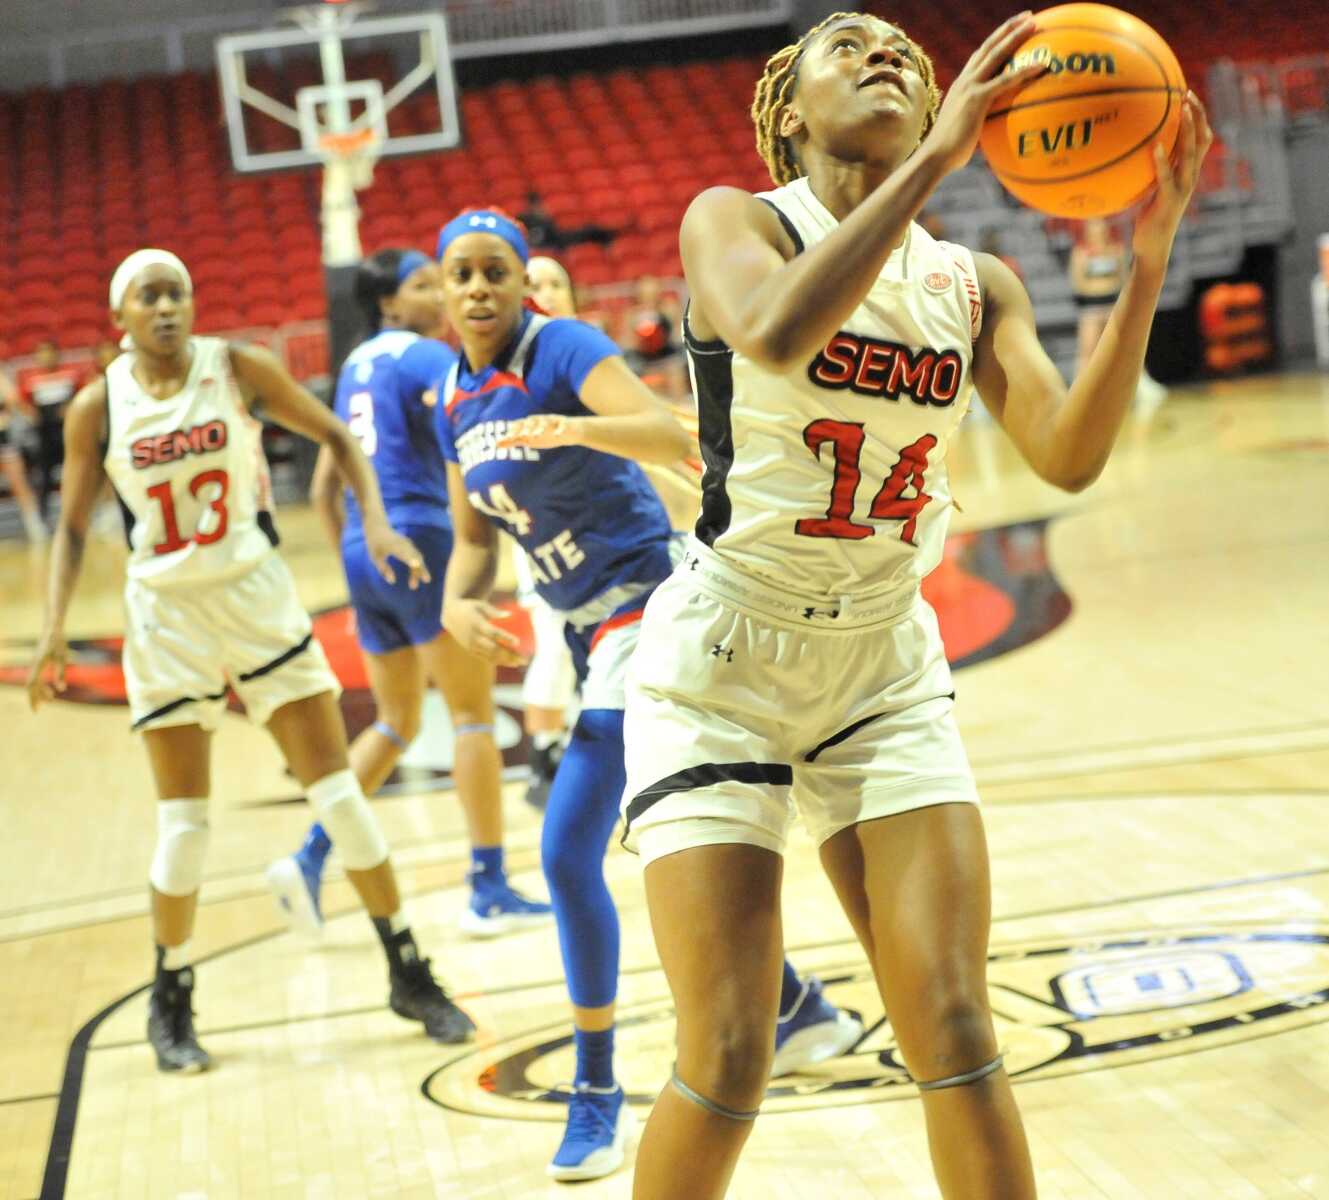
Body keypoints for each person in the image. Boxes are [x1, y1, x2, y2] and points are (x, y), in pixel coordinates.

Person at [619, 12, 1211, 1200]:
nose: (883, 52)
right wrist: (938, 158)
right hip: (721, 667)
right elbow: (779, 333)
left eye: (903, 46)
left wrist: (1147, 255)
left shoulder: (970, 284)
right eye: (849, 45)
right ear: (789, 112)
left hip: (884, 668)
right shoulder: (732, 220)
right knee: (731, 1054)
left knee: (951, 1022)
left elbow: (1069, 454)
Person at [434, 210, 864, 1182]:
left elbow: (661, 426)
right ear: (442, 289)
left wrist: (574, 426)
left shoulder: (563, 347)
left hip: (653, 613)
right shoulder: (452, 398)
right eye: (460, 273)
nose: (479, 288)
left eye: (495, 270)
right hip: (585, 632)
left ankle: (597, 1092)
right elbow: (471, 538)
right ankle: (795, 1003)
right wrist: (458, 604)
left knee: (567, 848)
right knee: (672, 840)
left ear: (518, 281)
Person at [27, 249, 476, 1074]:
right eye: (148, 296)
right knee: (185, 828)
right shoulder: (98, 405)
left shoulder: (237, 368)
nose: (167, 308)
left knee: (339, 796)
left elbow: (337, 434)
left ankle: (406, 968)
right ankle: (172, 991)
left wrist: (370, 521)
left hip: (258, 600)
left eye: (178, 293)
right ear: (118, 316)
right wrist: (55, 627)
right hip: (165, 619)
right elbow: (71, 526)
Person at [267, 247, 552, 937]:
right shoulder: (427, 359)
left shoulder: (353, 371)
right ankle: (487, 885)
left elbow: (321, 489)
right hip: (423, 537)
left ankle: (309, 855)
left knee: (394, 723)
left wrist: (357, 553)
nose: (442, 295)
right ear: (389, 304)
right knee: (473, 718)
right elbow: (480, 434)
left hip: (365, 550)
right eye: (424, 285)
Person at [17, 339, 84, 525]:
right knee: (44, 476)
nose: (46, 357)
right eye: (41, 353)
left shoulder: (70, 374)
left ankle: (79, 511)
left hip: (68, 431)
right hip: (44, 434)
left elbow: (83, 395)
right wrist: (30, 413)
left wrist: (71, 407)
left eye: (49, 352)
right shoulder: (31, 379)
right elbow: (21, 401)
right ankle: (43, 517)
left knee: (75, 471)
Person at [0, 351, 46, 542]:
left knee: (18, 480)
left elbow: (11, 400)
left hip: (4, 437)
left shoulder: (1, 375)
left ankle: (34, 524)